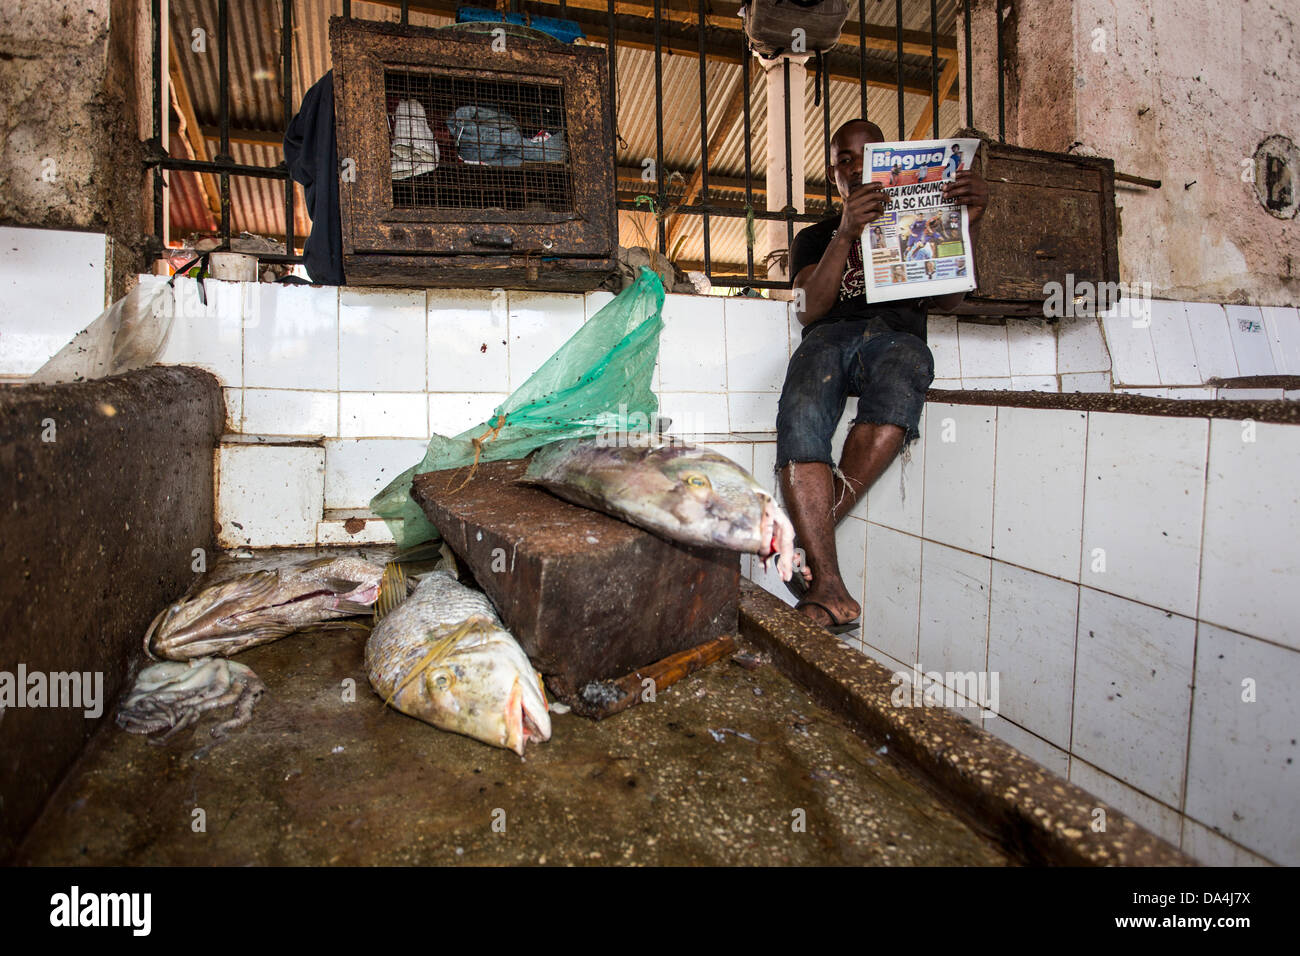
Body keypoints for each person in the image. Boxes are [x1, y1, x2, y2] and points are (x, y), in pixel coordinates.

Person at [776, 119, 987, 631]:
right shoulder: (816, 235)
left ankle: (810, 558)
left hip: (895, 337)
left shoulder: (922, 216)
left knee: (902, 381)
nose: (854, 165)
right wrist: (846, 231)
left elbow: (949, 297)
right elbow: (808, 308)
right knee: (800, 419)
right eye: (843, 159)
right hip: (830, 335)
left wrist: (969, 221)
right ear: (835, 176)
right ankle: (829, 585)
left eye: (866, 154)